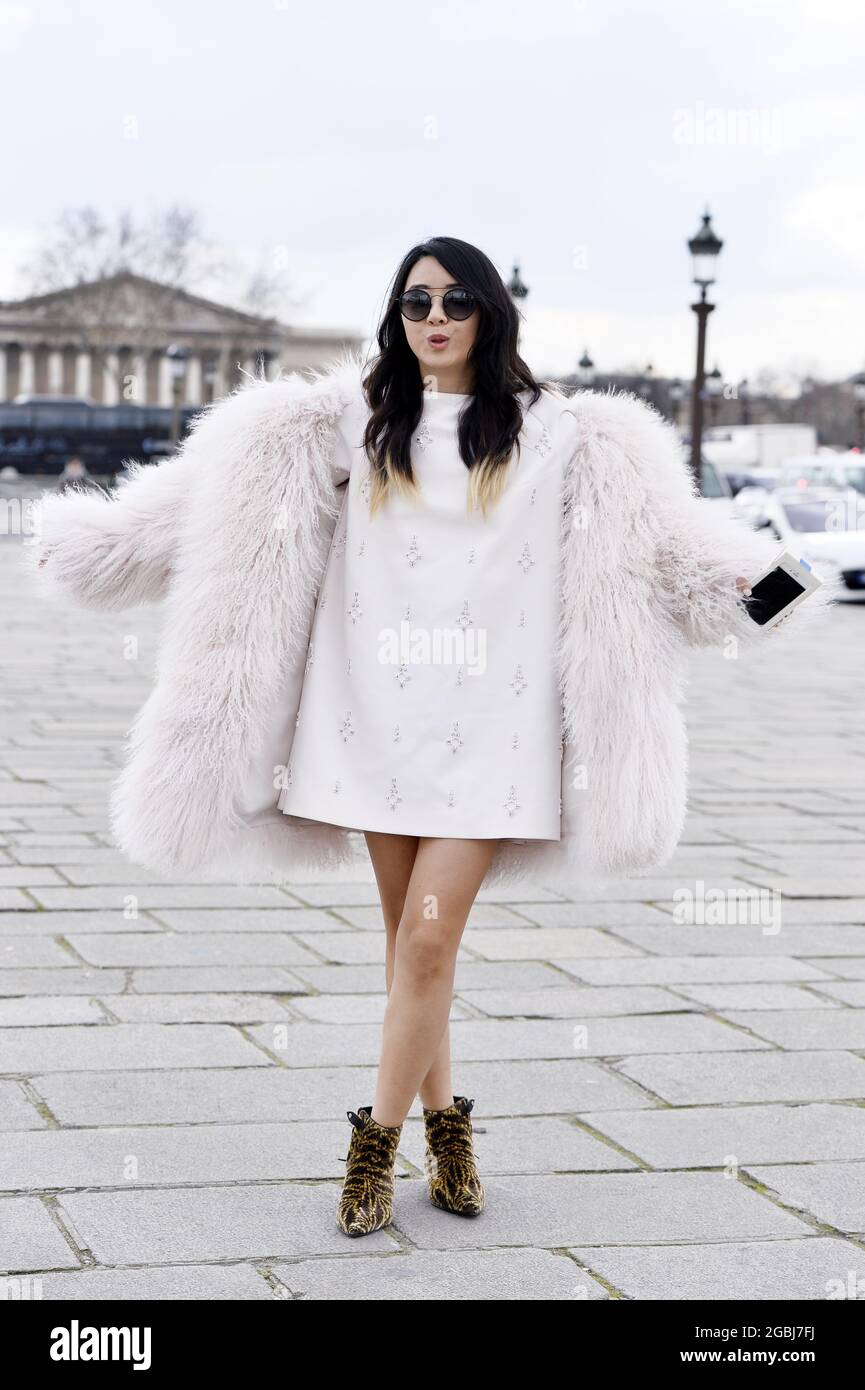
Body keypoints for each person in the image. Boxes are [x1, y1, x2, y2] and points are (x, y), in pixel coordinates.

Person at [27, 236, 826, 1241]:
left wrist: (768, 585)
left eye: (454, 300)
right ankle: (451, 1134)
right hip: (369, 725)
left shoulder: (569, 435)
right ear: (396, 318)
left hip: (496, 733)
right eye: (415, 302)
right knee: (415, 952)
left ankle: (374, 1149)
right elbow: (202, 513)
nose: (434, 317)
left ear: (490, 312)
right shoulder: (340, 425)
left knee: (429, 939)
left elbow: (665, 553)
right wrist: (91, 546)